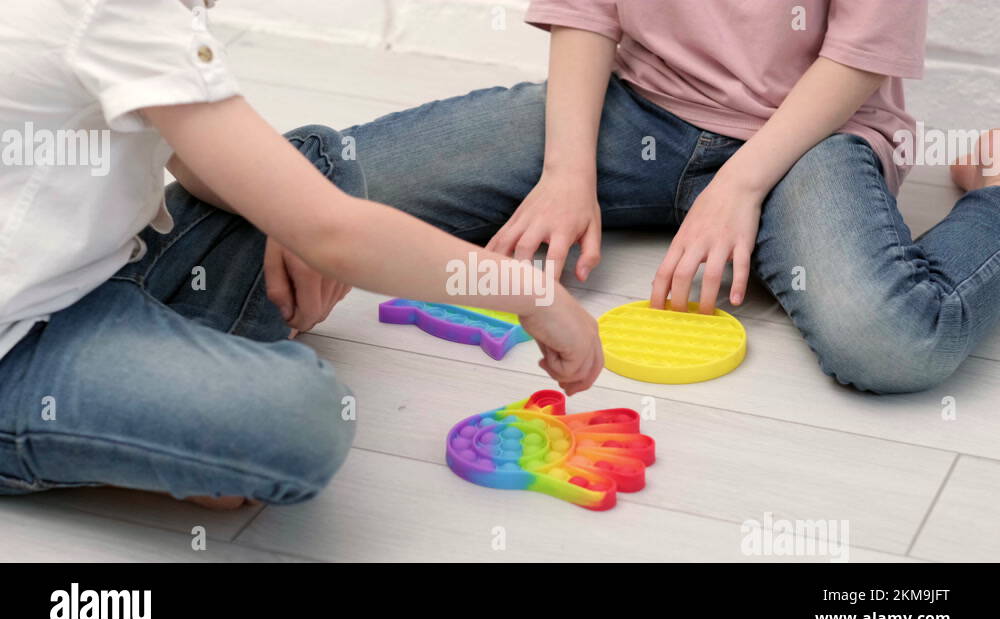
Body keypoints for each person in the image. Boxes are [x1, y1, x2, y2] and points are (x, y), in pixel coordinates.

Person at [0, 0, 603, 508]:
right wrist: (530, 292)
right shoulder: (117, 13)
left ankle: (177, 401)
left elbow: (194, 161)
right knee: (303, 417)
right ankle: (184, 428)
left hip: (93, 273)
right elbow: (337, 235)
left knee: (319, 155)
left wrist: (287, 209)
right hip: (19, 342)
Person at [344, 0, 1000, 394]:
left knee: (891, 343)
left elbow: (864, 50)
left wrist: (741, 185)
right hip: (635, 108)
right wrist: (567, 172)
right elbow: (588, 11)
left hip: (806, 141)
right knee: (325, 181)